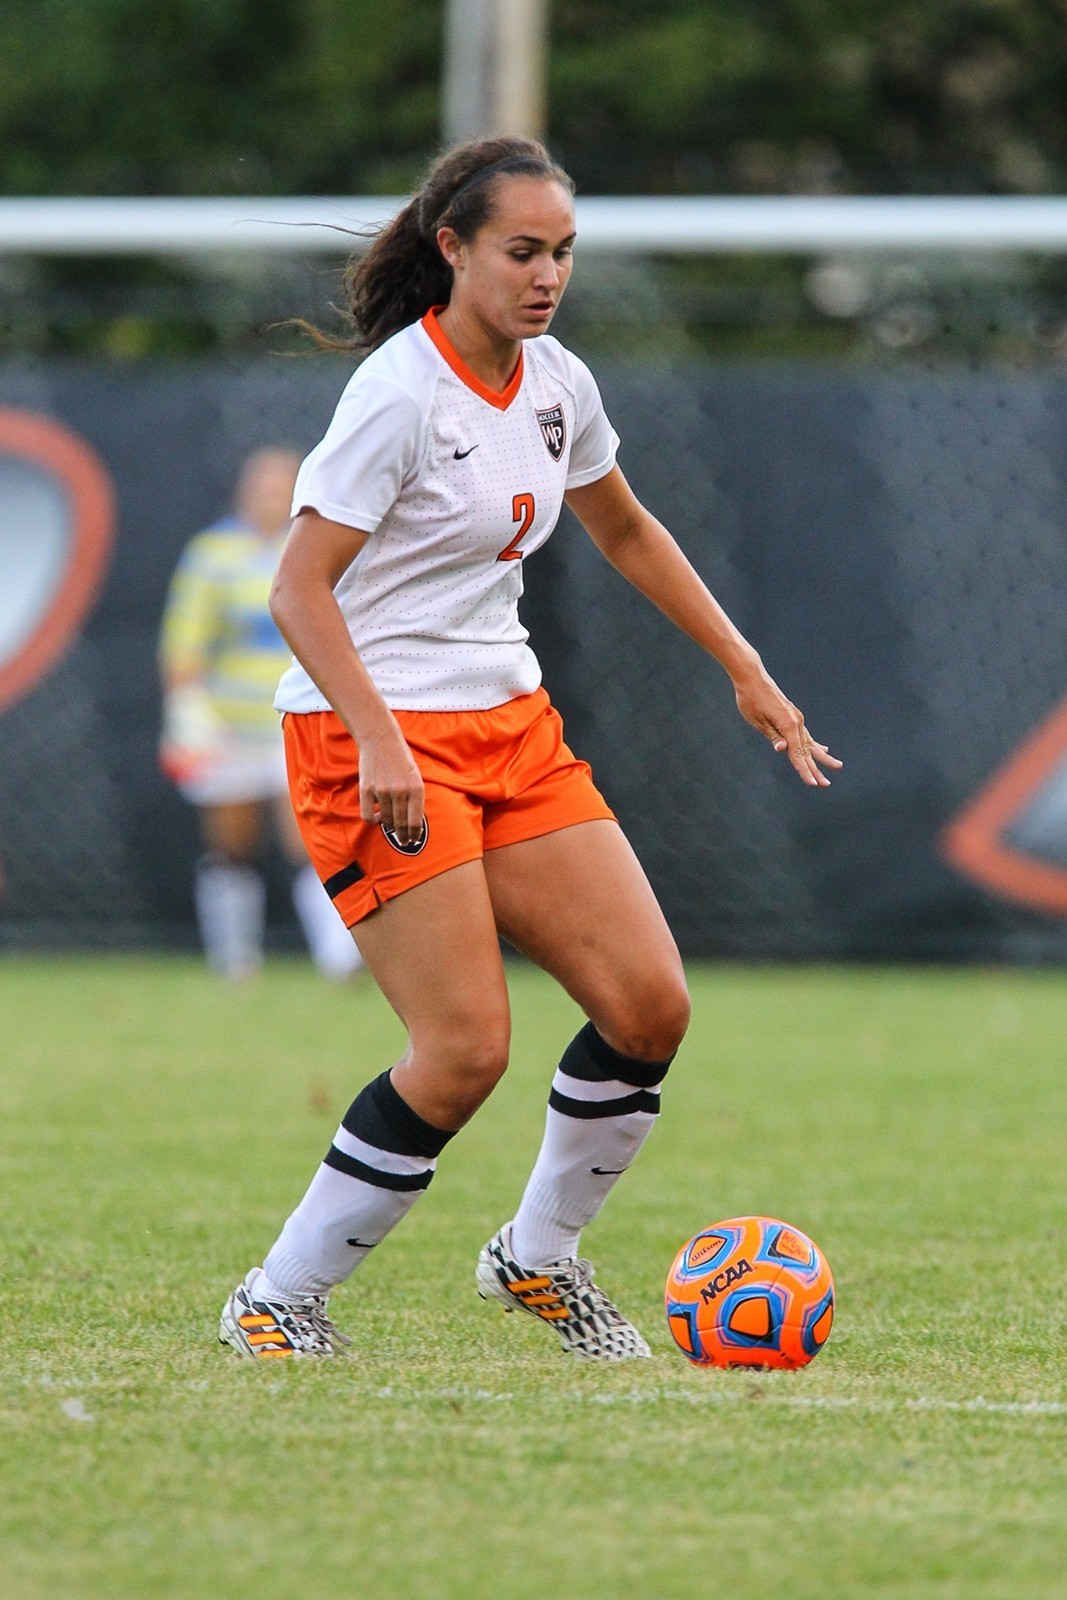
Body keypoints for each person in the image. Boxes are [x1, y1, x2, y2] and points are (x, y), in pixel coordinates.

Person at [218, 137, 840, 1362]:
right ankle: (275, 1298)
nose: (547, 274)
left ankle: (535, 1258)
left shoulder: (557, 381)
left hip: (510, 728)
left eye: (561, 252)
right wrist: (378, 737)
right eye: (521, 250)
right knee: (462, 1052)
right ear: (452, 248)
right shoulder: (400, 393)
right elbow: (297, 588)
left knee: (648, 1005)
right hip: (371, 739)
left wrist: (744, 666)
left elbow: (626, 526)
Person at [159, 447, 363, 981]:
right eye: (263, 485)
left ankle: (340, 958)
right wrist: (188, 715)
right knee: (231, 843)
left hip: (298, 720)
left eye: (281, 485)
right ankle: (234, 961)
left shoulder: (319, 546)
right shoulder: (213, 554)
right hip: (229, 726)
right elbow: (184, 642)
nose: (271, 495)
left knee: (311, 835)